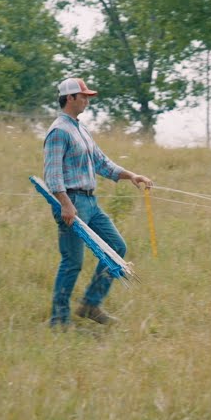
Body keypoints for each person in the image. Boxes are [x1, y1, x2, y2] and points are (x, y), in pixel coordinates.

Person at [43, 77, 153, 328]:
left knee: (116, 248)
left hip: (90, 203)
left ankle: (90, 304)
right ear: (69, 98)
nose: (87, 101)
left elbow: (102, 163)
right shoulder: (59, 131)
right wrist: (65, 204)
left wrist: (131, 176)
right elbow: (52, 174)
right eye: (83, 96)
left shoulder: (81, 129)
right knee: (72, 262)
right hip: (71, 202)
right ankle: (58, 320)